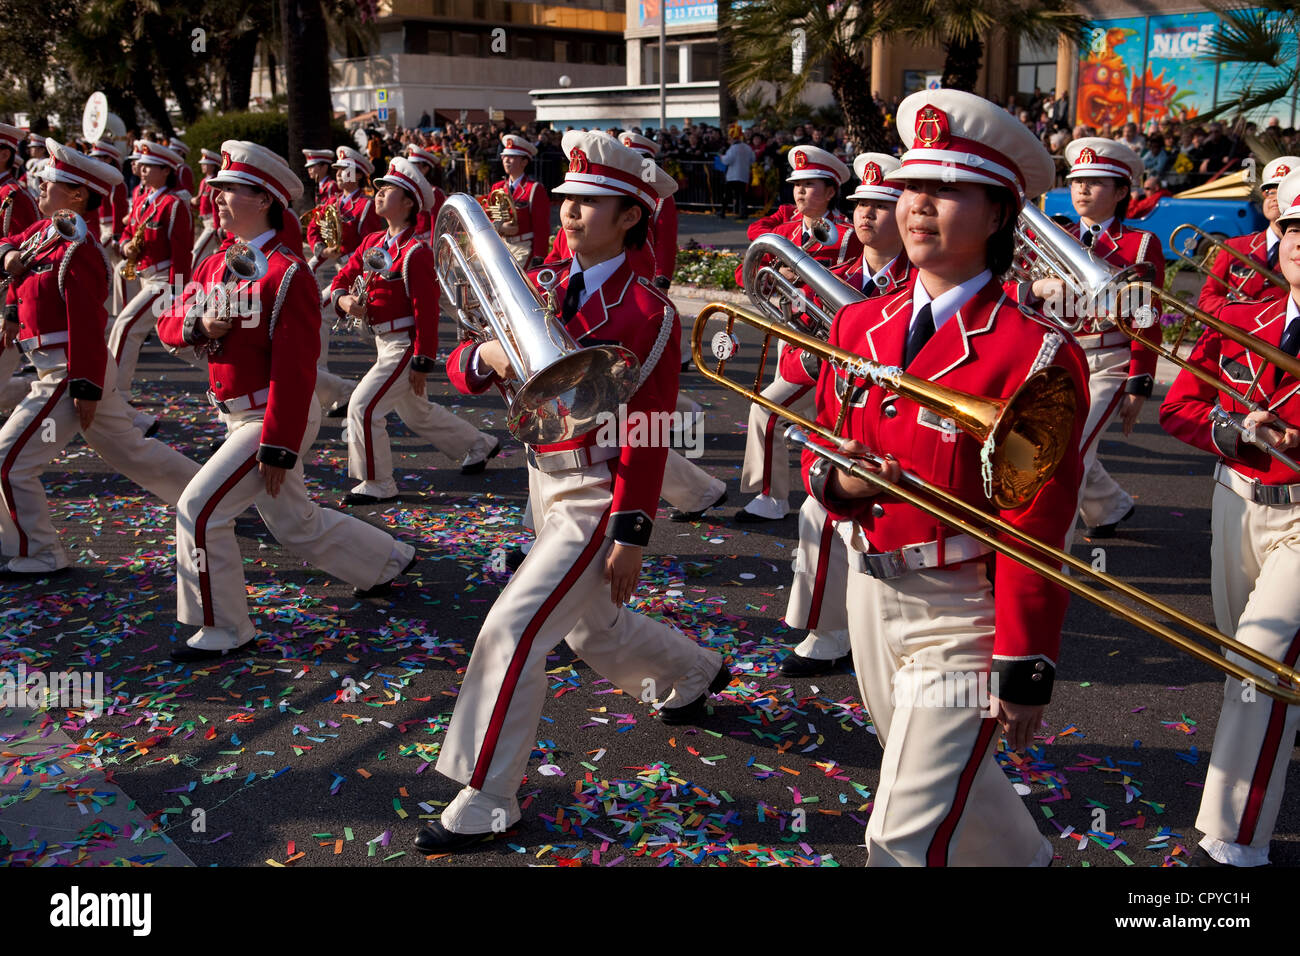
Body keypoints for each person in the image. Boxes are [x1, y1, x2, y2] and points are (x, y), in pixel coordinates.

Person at [415, 131, 730, 851]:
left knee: (514, 628)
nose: (570, 211)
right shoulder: (541, 282)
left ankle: (489, 793)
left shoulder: (650, 312)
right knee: (592, 627)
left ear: (630, 217)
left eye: (591, 202)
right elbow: (466, 372)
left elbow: (648, 436)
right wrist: (485, 353)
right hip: (540, 479)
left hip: (594, 492)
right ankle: (692, 674)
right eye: (565, 199)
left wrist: (630, 534)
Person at [802, 89, 1087, 866]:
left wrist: (1026, 656)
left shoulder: (1034, 351)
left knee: (899, 832)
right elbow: (821, 448)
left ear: (997, 215)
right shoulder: (858, 323)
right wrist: (842, 485)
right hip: (870, 591)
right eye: (913, 189)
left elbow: (1039, 519)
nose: (919, 207)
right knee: (934, 778)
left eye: (949, 190)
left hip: (964, 611)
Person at [155, 140, 417, 662]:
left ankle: (226, 628)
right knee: (294, 521)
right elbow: (166, 323)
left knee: (199, 509)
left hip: (273, 417)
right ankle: (386, 559)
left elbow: (295, 371)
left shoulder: (288, 272)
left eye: (231, 191)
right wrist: (198, 324)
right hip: (237, 415)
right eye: (218, 191)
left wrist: (278, 445)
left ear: (265, 199)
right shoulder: (213, 265)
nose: (219, 201)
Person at [1159, 167, 1300, 867]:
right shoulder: (1244, 318)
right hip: (1235, 500)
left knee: (1260, 655)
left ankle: (1234, 836)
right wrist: (1236, 427)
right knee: (1236, 650)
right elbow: (1179, 408)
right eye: (1297, 227)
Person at [0, 138, 200, 578]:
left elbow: (88, 327)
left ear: (76, 195)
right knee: (131, 450)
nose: (39, 186)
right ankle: (211, 492)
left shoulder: (79, 249)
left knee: (9, 460)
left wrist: (85, 387)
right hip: (58, 367)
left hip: (68, 372)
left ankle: (42, 552)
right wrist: (10, 268)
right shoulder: (42, 233)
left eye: (49, 182)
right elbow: (8, 246)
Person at [777, 151, 911, 677]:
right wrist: (809, 349)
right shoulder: (835, 274)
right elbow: (800, 346)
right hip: (848, 415)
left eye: (881, 205)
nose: (866, 215)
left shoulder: (920, 283)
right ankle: (830, 629)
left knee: (826, 514)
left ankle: (836, 628)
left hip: (902, 420)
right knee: (820, 506)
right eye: (860, 204)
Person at [327, 156, 499, 505]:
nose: (378, 194)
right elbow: (341, 280)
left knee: (363, 406)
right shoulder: (373, 240)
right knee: (417, 413)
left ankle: (378, 482)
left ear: (407, 203)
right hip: (382, 341)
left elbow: (426, 311)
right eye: (378, 188)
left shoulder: (416, 252)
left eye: (387, 189)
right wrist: (345, 301)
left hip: (404, 345)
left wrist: (422, 361)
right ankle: (479, 443)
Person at [1022, 138, 1163, 540]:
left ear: (1121, 192)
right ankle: (1111, 506)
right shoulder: (1053, 234)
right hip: (1059, 355)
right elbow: (1017, 289)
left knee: (1069, 450)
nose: (1081, 188)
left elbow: (1146, 317)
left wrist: (1139, 380)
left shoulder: (1140, 244)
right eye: (1077, 180)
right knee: (1060, 440)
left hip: (1109, 362)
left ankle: (1052, 549)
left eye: (1096, 182)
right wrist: (1034, 288)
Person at [735, 144, 860, 523]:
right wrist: (772, 278)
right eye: (797, 186)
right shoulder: (784, 232)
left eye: (810, 186)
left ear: (831, 191)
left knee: (769, 410)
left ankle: (773, 497)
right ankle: (816, 491)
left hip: (824, 343)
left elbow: (857, 283)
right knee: (810, 415)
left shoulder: (850, 236)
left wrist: (804, 282)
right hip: (789, 338)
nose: (801, 193)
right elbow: (747, 274)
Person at [106, 139, 194, 433]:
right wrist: (125, 245)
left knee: (126, 326)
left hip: (164, 282)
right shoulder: (141, 196)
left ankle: (116, 394)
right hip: (144, 276)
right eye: (139, 165)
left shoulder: (174, 205)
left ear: (165, 171)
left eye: (148, 166)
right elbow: (127, 233)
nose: (140, 170)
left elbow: (183, 253)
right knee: (181, 346)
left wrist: (180, 293)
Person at [307, 146, 376, 416]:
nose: (338, 174)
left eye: (344, 170)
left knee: (368, 328)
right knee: (320, 312)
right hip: (333, 263)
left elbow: (370, 246)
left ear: (358, 176)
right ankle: (322, 373)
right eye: (336, 170)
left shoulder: (366, 205)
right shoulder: (333, 202)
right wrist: (321, 249)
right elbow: (314, 228)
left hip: (353, 269)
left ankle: (403, 356)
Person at [1196, 156, 1299, 317]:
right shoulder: (1234, 246)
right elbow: (1206, 299)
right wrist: (1235, 306)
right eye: (1268, 191)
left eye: (1281, 192)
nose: (1273, 197)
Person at [489, 133, 550, 268]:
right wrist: (499, 227)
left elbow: (541, 227)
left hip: (524, 248)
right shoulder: (497, 187)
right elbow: (488, 216)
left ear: (524, 161)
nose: (506, 160)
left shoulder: (534, 188)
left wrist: (539, 255)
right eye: (504, 156)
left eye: (512, 157)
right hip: (501, 245)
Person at [190, 149, 223, 265]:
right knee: (213, 257)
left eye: (205, 164)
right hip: (205, 222)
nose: (202, 166)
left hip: (212, 224)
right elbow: (202, 203)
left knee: (197, 252)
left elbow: (216, 206)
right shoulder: (204, 182)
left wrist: (217, 227)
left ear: (213, 166)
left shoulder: (214, 183)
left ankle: (187, 281)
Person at [719, 129, 756, 219]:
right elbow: (753, 159)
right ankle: (743, 213)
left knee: (728, 194)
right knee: (742, 195)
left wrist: (722, 157)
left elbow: (727, 160)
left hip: (733, 176)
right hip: (743, 175)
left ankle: (722, 211)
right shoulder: (747, 147)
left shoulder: (733, 148)